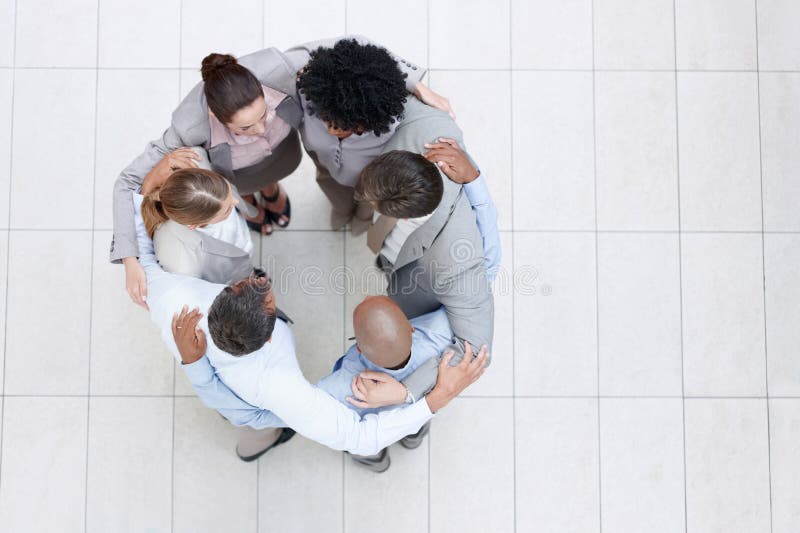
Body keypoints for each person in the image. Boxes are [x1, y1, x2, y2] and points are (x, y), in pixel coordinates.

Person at [132, 196, 487, 459]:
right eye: (266, 297)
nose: (261, 281)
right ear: (270, 336)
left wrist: (133, 252)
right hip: (266, 406)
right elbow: (358, 437)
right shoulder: (289, 387)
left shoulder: (178, 300)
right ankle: (398, 442)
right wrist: (432, 400)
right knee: (365, 444)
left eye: (249, 283)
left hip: (393, 399)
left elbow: (146, 255)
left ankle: (402, 439)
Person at [114, 38, 451, 309]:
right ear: (217, 118)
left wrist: (416, 83)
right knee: (241, 197)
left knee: (273, 178)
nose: (262, 130)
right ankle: (254, 204)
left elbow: (350, 49)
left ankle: (273, 193)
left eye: (265, 114)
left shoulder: (278, 67)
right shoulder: (189, 125)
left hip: (284, 158)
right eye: (246, 127)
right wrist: (130, 259)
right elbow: (126, 182)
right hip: (237, 175)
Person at [356, 107, 498, 399]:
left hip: (438, 282)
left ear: (404, 216)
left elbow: (475, 351)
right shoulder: (427, 130)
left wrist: (406, 393)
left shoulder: (458, 269)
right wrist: (416, 82)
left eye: (372, 202)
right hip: (406, 255)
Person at [288, 37, 454, 230]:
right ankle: (341, 209)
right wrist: (415, 84)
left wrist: (414, 85)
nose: (331, 129)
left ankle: (362, 221)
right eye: (325, 117)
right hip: (325, 165)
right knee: (330, 186)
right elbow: (353, 42)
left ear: (367, 121)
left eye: (344, 125)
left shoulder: (394, 129)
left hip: (373, 182)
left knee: (368, 205)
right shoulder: (314, 90)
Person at [135, 149, 255, 285]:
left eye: (227, 192)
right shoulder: (183, 261)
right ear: (194, 225)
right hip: (230, 269)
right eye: (227, 210)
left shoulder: (194, 159)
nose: (236, 202)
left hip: (240, 240)